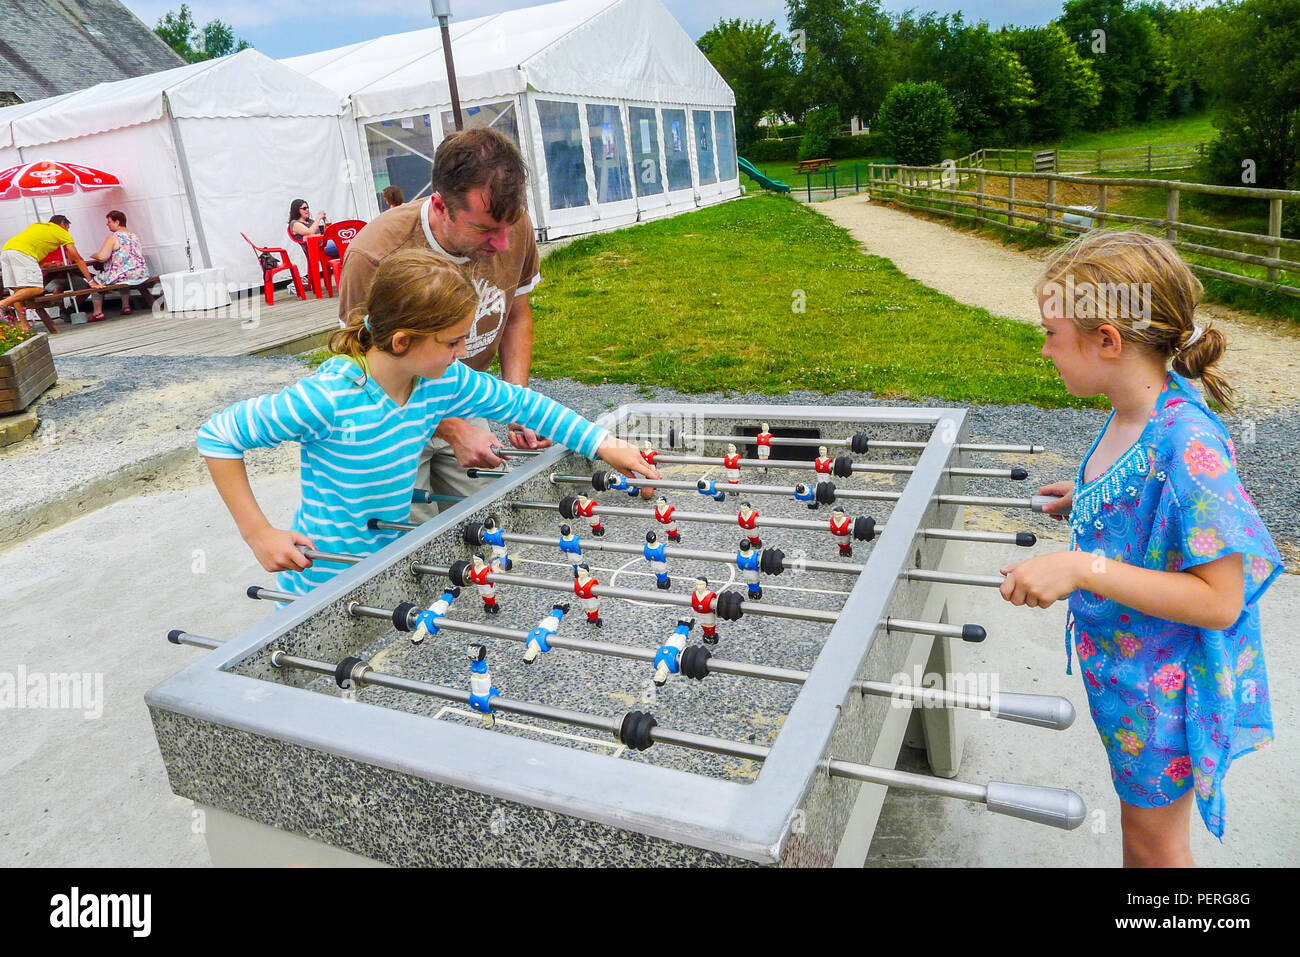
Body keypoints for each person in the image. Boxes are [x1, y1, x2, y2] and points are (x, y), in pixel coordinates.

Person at [999, 230, 1281, 867]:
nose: (1044, 348)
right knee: (1140, 841)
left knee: (1154, 852)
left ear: (1107, 340)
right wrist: (1085, 501)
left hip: (1166, 696)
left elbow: (1219, 600)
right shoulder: (1134, 410)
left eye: (1051, 332)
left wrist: (1079, 565)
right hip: (1128, 685)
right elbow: (1149, 498)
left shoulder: (1187, 441)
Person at [197, 249, 658, 599]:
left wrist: (602, 442)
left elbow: (520, 403)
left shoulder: (441, 380)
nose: (463, 352)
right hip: (321, 577)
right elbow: (218, 436)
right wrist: (258, 533)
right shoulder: (328, 399)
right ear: (402, 341)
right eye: (453, 341)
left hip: (390, 563)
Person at [338, 128, 547, 520]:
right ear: (439, 206)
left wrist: (518, 403)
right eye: (485, 230)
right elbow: (362, 367)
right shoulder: (375, 254)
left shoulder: (511, 225)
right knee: (407, 546)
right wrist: (449, 428)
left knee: (489, 521)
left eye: (509, 225)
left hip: (463, 397)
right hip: (391, 416)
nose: (502, 243)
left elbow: (517, 313)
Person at [1, 215, 99, 333]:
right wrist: (91, 281)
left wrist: (48, 264)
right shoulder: (60, 231)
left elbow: (37, 255)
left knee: (18, 291)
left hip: (6, 251)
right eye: (68, 228)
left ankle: (24, 326)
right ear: (63, 224)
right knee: (37, 289)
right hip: (22, 254)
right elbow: (77, 258)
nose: (68, 231)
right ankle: (2, 304)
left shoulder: (38, 227)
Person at [84, 210, 150, 322]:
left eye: (109, 221)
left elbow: (102, 257)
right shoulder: (133, 236)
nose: (107, 224)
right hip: (140, 272)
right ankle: (126, 306)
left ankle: (98, 313)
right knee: (123, 279)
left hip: (123, 274)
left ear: (117, 222)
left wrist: (94, 255)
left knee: (96, 282)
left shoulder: (114, 237)